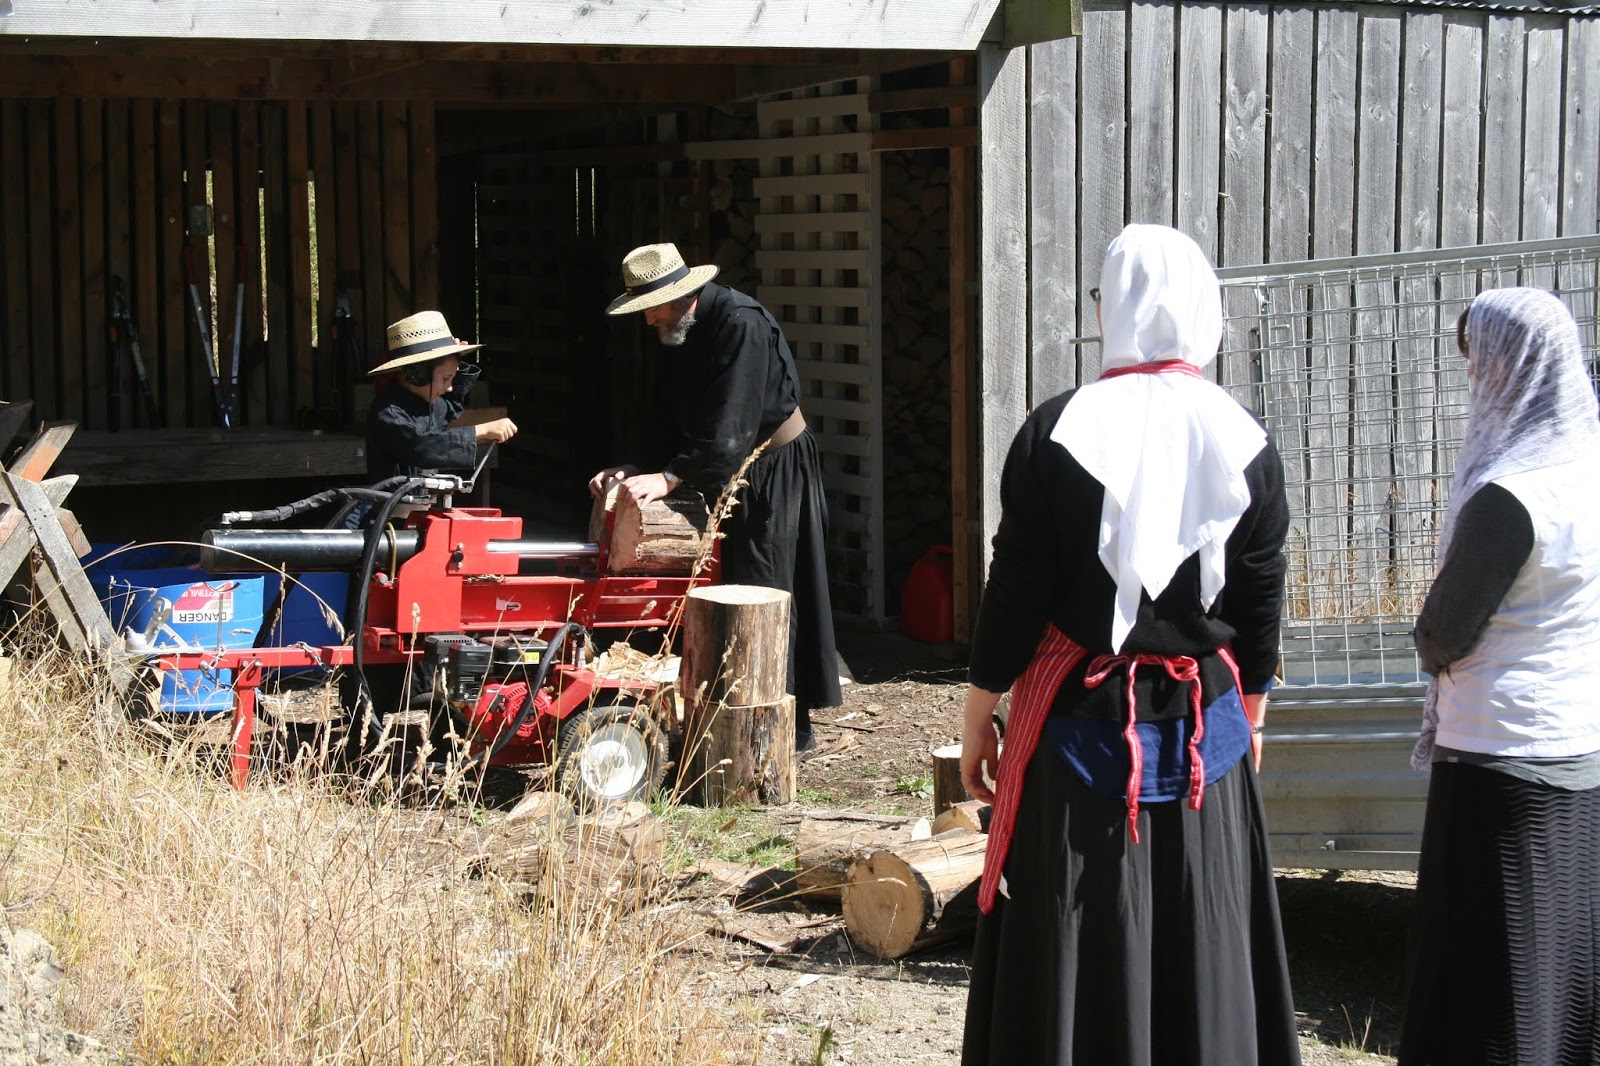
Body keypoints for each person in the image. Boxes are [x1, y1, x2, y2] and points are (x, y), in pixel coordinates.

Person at [959, 224, 1300, 1065]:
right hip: (1205, 733)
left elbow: (1016, 595)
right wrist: (1252, 712)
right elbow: (1259, 601)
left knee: (1079, 933)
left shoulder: (1056, 431)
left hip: (1079, 728)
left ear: (1115, 307)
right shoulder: (1245, 438)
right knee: (1204, 933)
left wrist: (978, 712)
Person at [1399, 288, 1600, 1066]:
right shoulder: (1587, 469)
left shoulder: (1512, 494)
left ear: (1506, 370)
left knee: (1490, 969)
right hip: (1579, 748)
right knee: (1561, 964)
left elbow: (1441, 633)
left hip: (1499, 757)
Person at [588, 243, 840, 750]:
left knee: (765, 588)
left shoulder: (740, 324)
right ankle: (730, 714)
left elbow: (732, 426)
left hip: (772, 467)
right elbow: (664, 413)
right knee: (728, 586)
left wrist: (672, 477)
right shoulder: (677, 329)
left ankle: (785, 730)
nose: (647, 320)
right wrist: (637, 463)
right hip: (732, 462)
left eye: (650, 307)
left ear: (682, 295)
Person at [365, 310, 517, 482]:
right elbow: (420, 447)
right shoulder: (387, 413)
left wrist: (455, 360)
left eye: (452, 378)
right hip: (391, 507)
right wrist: (480, 431)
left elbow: (452, 405)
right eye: (445, 378)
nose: (450, 387)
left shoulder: (429, 404)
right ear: (418, 373)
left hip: (421, 505)